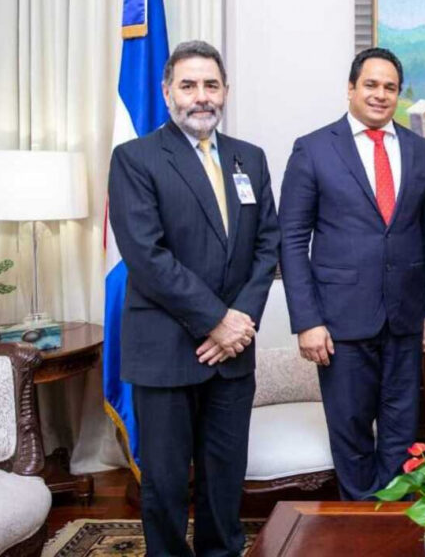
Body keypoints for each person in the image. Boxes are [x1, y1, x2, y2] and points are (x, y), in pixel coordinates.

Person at [108, 40, 280, 555]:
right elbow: (147, 256)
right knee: (162, 485)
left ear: (225, 91)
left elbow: (267, 243)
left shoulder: (250, 158)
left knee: (223, 481)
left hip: (232, 354)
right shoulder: (135, 159)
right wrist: (215, 321)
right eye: (188, 85)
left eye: (210, 85)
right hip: (165, 350)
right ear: (167, 93)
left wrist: (240, 322)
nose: (200, 97)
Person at [278, 47, 425, 500]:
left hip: (407, 319)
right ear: (350, 89)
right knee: (351, 434)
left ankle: (392, 528)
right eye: (370, 84)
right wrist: (308, 320)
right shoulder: (313, 149)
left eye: (390, 87)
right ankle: (359, 532)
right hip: (339, 321)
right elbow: (292, 241)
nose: (380, 94)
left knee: (403, 433)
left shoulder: (420, 152)